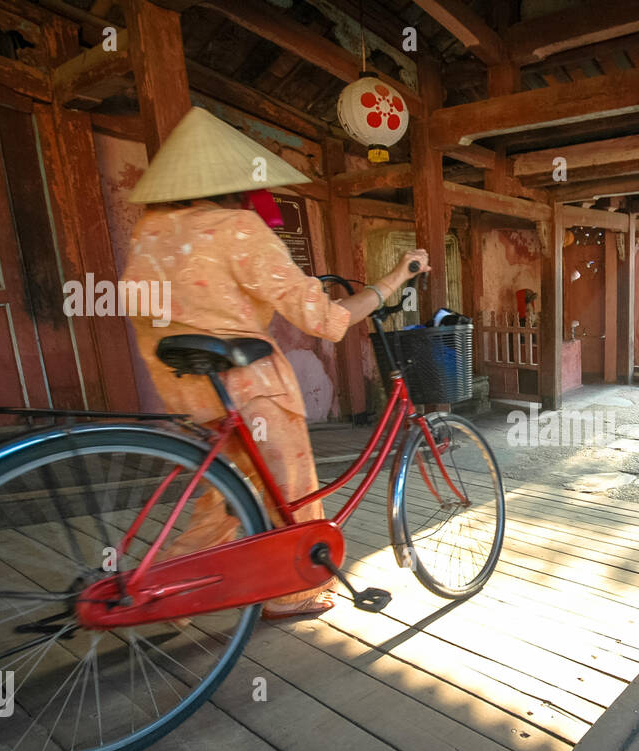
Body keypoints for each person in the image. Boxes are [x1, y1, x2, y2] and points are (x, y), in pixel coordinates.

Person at [123, 106, 430, 619]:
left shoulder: (148, 230)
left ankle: (155, 591)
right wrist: (393, 280)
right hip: (249, 383)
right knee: (291, 490)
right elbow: (325, 320)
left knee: (220, 495)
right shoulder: (238, 226)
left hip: (182, 382)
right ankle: (296, 593)